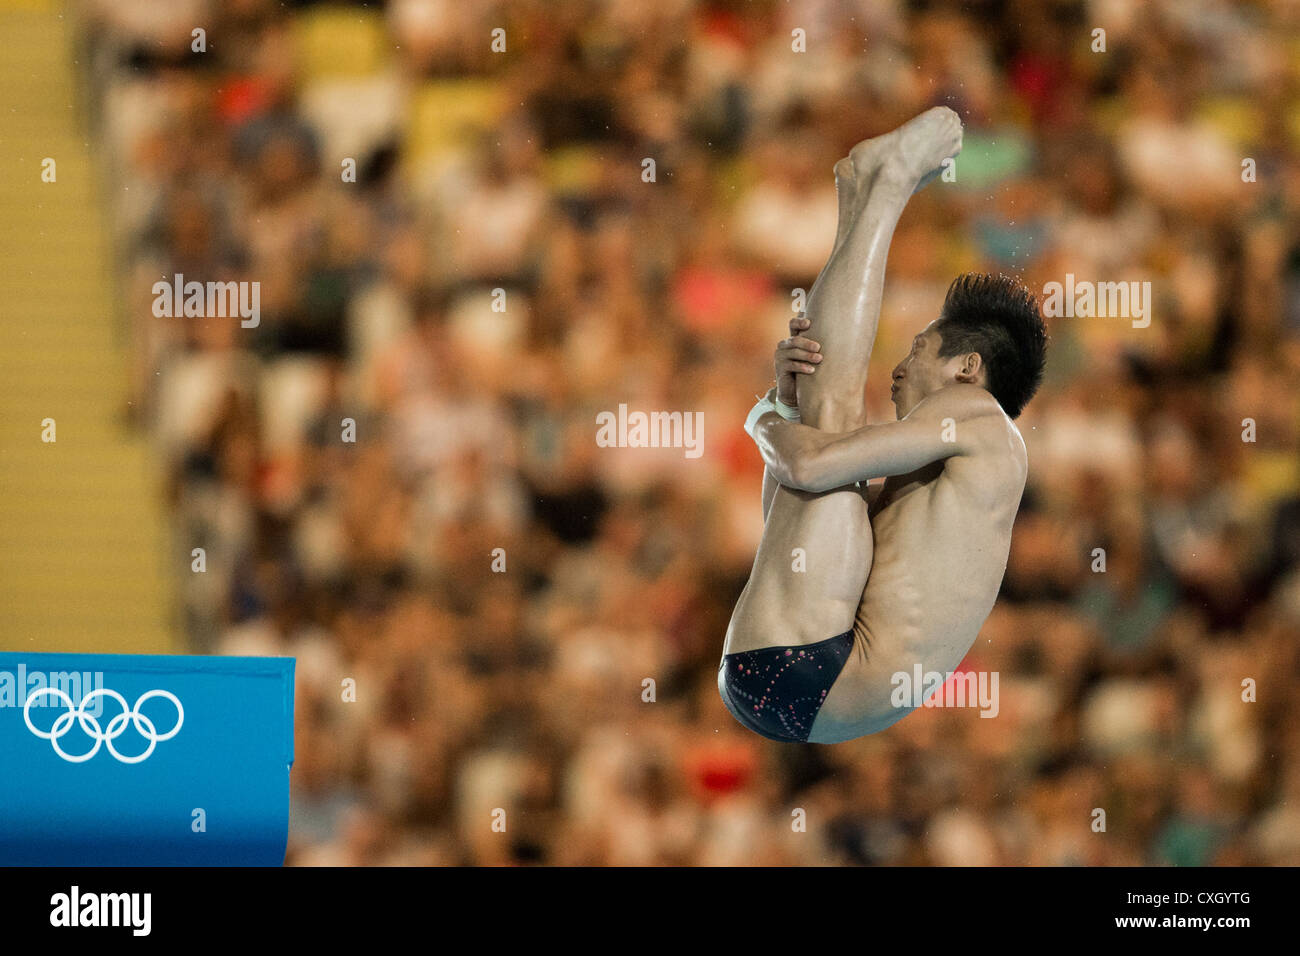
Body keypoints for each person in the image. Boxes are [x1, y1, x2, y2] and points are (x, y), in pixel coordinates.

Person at [718, 107, 1048, 743]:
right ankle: (862, 197)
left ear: (967, 367)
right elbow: (792, 509)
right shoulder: (951, 476)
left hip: (807, 665)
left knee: (832, 419)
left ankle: (884, 187)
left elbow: (808, 464)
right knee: (823, 425)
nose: (898, 368)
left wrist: (762, 413)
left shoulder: (979, 415)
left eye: (920, 346)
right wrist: (783, 407)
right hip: (799, 684)